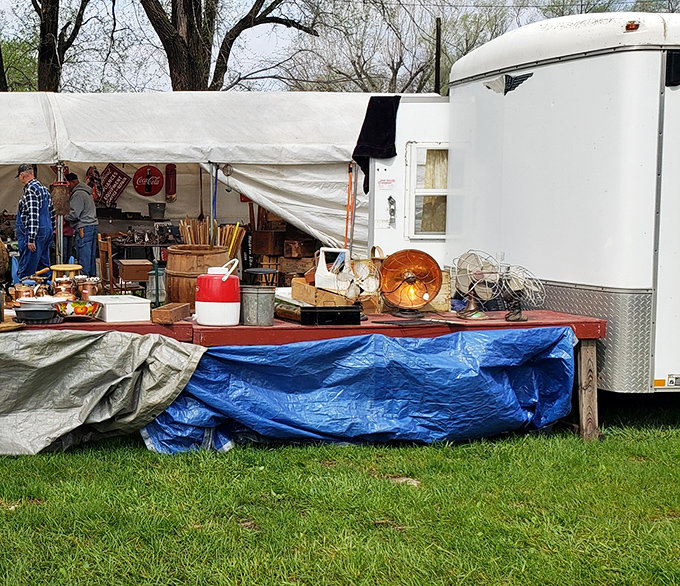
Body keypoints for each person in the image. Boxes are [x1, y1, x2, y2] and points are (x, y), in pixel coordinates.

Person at [15, 164, 55, 279]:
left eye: (19, 177)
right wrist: (51, 231)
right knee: (43, 268)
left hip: (36, 233)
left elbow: (33, 215)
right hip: (46, 231)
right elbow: (52, 211)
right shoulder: (44, 189)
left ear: (22, 176)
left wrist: (31, 238)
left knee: (28, 270)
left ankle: (25, 293)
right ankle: (46, 291)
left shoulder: (30, 190)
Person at [65, 172, 99, 277]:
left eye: (68, 184)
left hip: (84, 227)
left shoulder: (78, 194)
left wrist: (63, 216)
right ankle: (92, 283)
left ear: (73, 182)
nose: (67, 187)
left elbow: (74, 214)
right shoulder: (87, 192)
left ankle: (84, 284)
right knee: (91, 257)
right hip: (92, 226)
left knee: (84, 257)